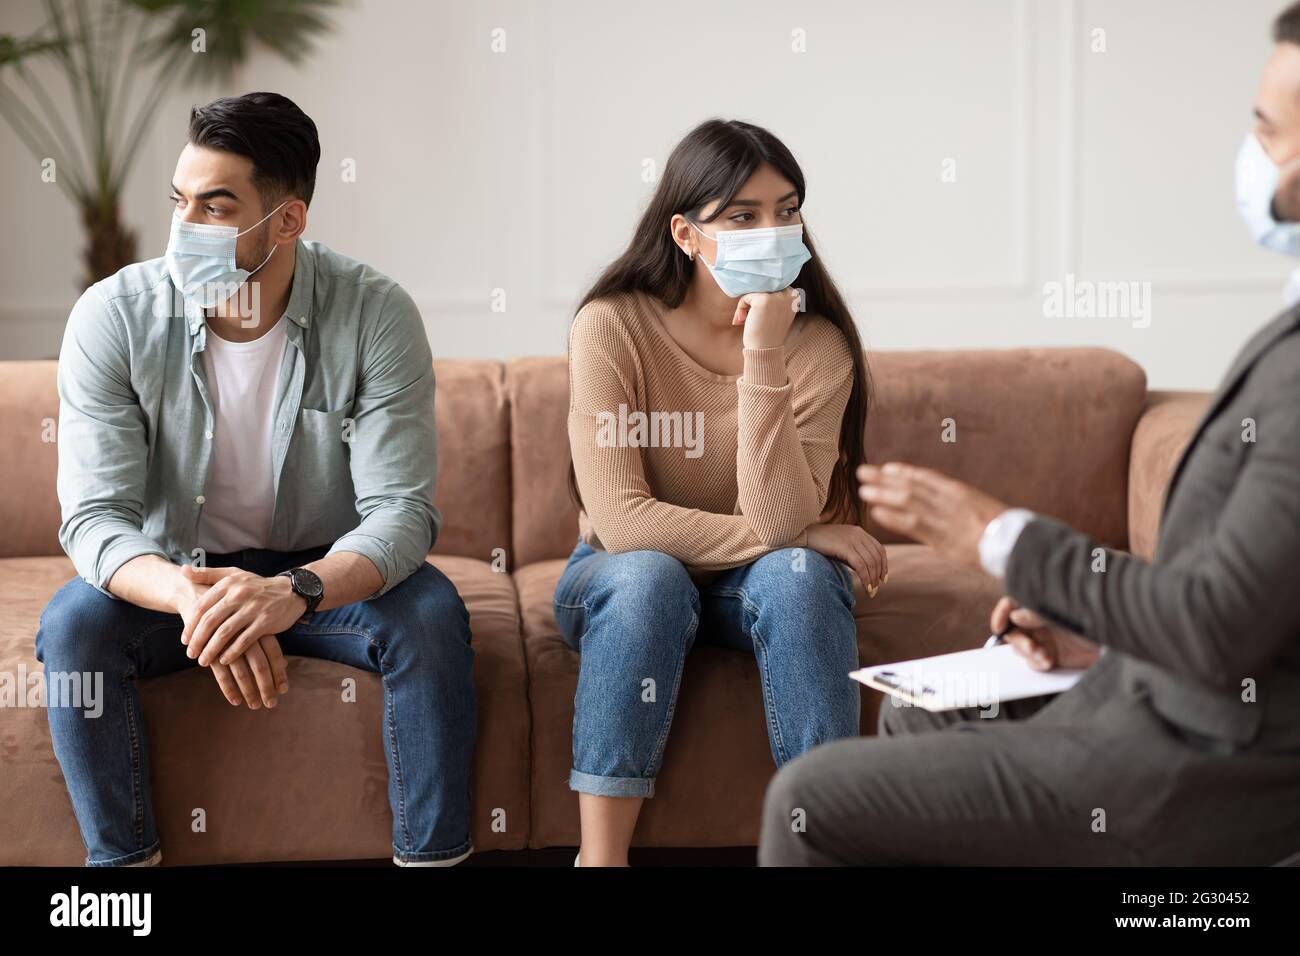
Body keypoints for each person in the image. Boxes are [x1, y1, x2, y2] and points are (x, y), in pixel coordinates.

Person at [757, 3, 1300, 867]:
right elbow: (1255, 599)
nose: (1253, 156)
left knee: (804, 805)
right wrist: (1099, 633)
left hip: (1203, 763)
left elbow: (1220, 627)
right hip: (1170, 696)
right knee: (917, 710)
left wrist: (997, 536)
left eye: (1267, 133)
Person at [35, 92, 477, 868]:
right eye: (179, 202)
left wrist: (290, 594)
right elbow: (96, 519)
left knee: (431, 618)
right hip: (179, 575)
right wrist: (193, 601)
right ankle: (125, 876)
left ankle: (434, 860)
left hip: (324, 572)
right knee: (75, 626)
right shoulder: (114, 316)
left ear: (287, 221)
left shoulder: (375, 314)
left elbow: (401, 512)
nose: (185, 228)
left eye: (215, 207)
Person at [557, 118, 885, 867]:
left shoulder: (819, 346)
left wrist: (762, 351)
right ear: (686, 233)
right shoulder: (611, 327)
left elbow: (776, 521)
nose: (773, 230)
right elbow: (622, 520)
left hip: (751, 588)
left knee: (799, 576)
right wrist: (799, 532)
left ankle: (827, 849)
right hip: (617, 579)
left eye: (787, 209)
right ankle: (600, 861)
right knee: (649, 575)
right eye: (742, 216)